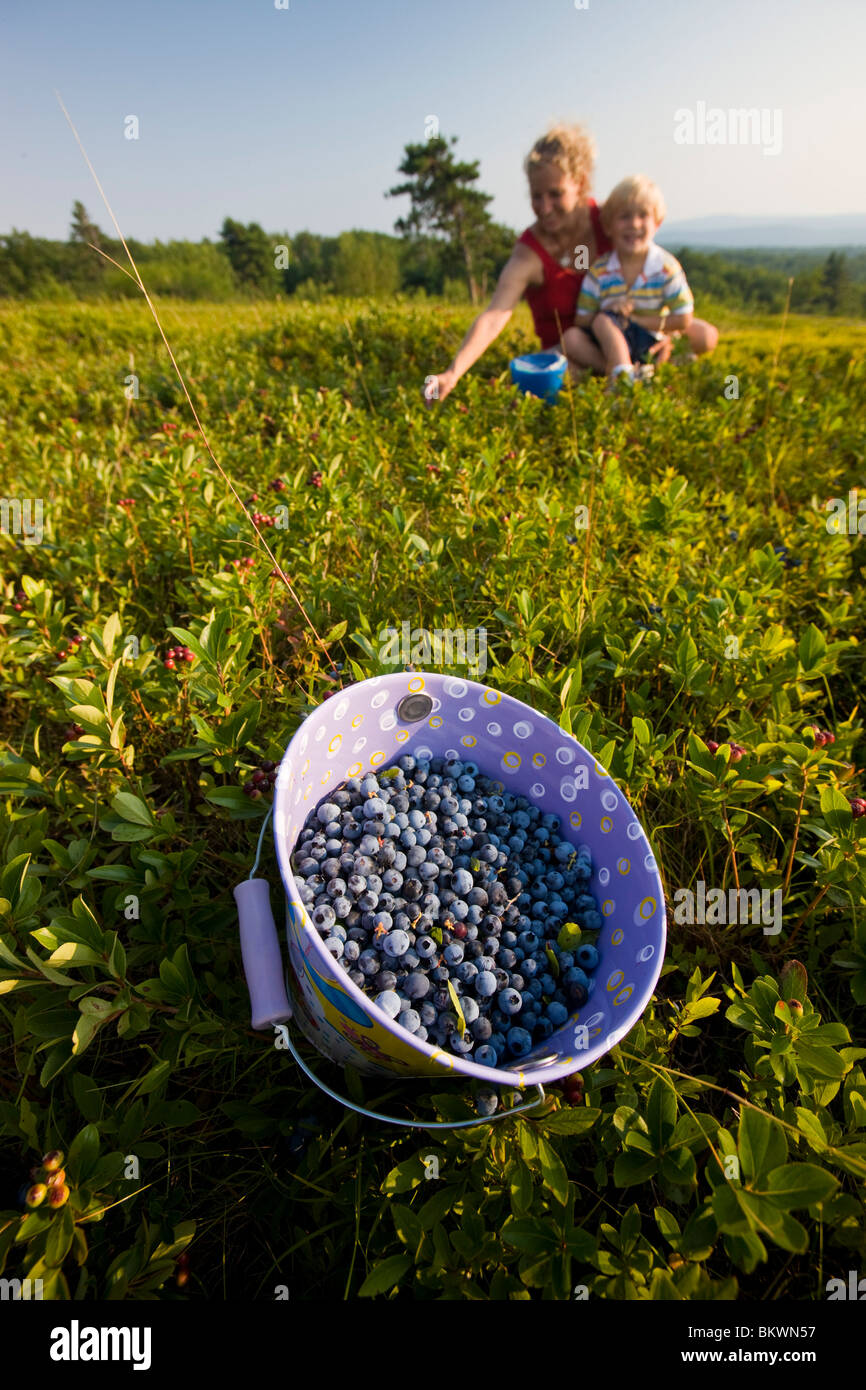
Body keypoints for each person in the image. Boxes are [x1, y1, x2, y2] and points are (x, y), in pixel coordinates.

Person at [424, 124, 718, 406]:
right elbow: (494, 315)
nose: (544, 207)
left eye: (555, 194)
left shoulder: (610, 221)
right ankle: (630, 373)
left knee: (704, 334)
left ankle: (633, 367)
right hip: (572, 349)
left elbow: (649, 265)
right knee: (537, 383)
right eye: (536, 196)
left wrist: (666, 333)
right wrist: (453, 372)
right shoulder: (529, 253)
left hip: (630, 327)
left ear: (580, 183)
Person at [566, 174, 695, 386]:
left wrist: (635, 320)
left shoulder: (666, 267)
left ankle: (622, 377)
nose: (634, 224)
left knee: (601, 322)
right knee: (572, 337)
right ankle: (631, 373)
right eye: (624, 216)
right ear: (608, 226)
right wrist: (610, 309)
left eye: (643, 215)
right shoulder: (599, 271)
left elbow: (684, 318)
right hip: (608, 343)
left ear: (657, 223)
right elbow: (582, 321)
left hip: (650, 340)